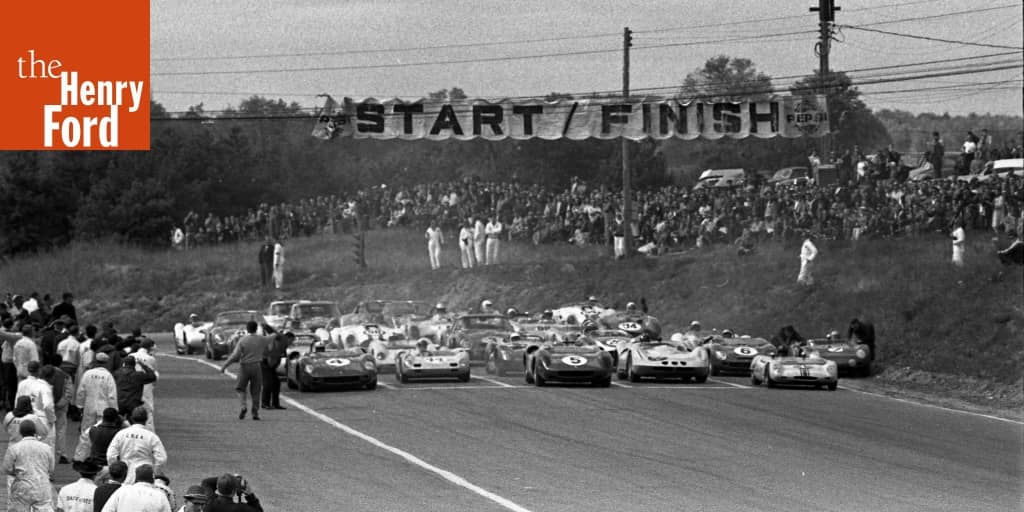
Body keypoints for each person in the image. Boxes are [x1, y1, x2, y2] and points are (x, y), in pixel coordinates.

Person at [220, 321, 275, 420]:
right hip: (257, 366)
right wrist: (268, 328)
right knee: (256, 390)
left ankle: (243, 406)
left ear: (247, 329)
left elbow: (235, 355)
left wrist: (224, 366)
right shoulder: (262, 339)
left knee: (240, 388)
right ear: (256, 328)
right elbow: (273, 335)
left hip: (244, 366)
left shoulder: (243, 340)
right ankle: (255, 412)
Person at [1, 421, 55, 512]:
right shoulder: (46, 448)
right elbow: (51, 469)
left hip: (22, 486)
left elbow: (5, 469)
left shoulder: (14, 448)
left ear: (20, 432)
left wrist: (16, 472)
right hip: (42, 486)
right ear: (35, 432)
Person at [106, 407, 167, 485]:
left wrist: (116, 473)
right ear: (146, 420)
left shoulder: (121, 434)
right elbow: (162, 459)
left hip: (125, 476)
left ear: (131, 418)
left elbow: (110, 456)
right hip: (145, 477)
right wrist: (155, 473)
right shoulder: (151, 436)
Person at [15, 361, 56, 450]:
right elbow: (48, 406)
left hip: (28, 416)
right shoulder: (44, 387)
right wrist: (52, 419)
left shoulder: (25, 384)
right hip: (43, 419)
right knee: (46, 447)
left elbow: (17, 401)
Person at [99, 464, 172, 512]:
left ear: (136, 478)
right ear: (153, 479)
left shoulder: (123, 490)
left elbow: (107, 510)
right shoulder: (160, 495)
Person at [41, 362, 73, 463]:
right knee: (61, 431)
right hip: (60, 408)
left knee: (45, 431)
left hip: (44, 409)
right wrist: (60, 404)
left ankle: (44, 454)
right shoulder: (66, 376)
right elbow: (69, 393)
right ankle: (62, 454)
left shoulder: (42, 375)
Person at [76, 353, 118, 429]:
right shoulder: (108, 376)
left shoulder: (87, 374)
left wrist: (80, 405)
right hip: (103, 408)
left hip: (89, 406)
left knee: (86, 430)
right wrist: (114, 410)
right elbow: (112, 396)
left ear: (95, 361)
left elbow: (81, 391)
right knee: (101, 430)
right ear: (107, 363)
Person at [260, 332, 292, 411]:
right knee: (268, 383)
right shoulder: (280, 339)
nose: (292, 342)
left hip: (271, 364)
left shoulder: (284, 345)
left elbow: (278, 356)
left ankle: (275, 404)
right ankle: (265, 403)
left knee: (276, 383)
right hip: (263, 362)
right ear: (287, 338)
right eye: (291, 340)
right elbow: (274, 334)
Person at [133, 339, 158, 431]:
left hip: (132, 387)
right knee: (148, 413)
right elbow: (154, 375)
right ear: (150, 347)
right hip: (146, 386)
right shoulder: (151, 359)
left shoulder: (131, 355)